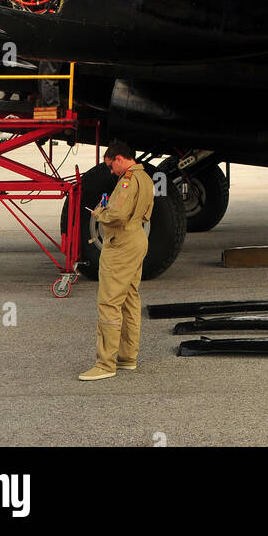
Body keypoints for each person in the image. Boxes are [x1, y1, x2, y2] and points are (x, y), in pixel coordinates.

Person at [78, 142, 154, 381]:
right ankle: (127, 357)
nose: (111, 171)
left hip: (121, 242)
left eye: (112, 166)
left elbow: (117, 214)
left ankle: (105, 363)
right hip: (138, 238)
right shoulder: (146, 179)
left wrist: (99, 214)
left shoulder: (127, 181)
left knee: (109, 301)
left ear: (120, 158)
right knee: (130, 298)